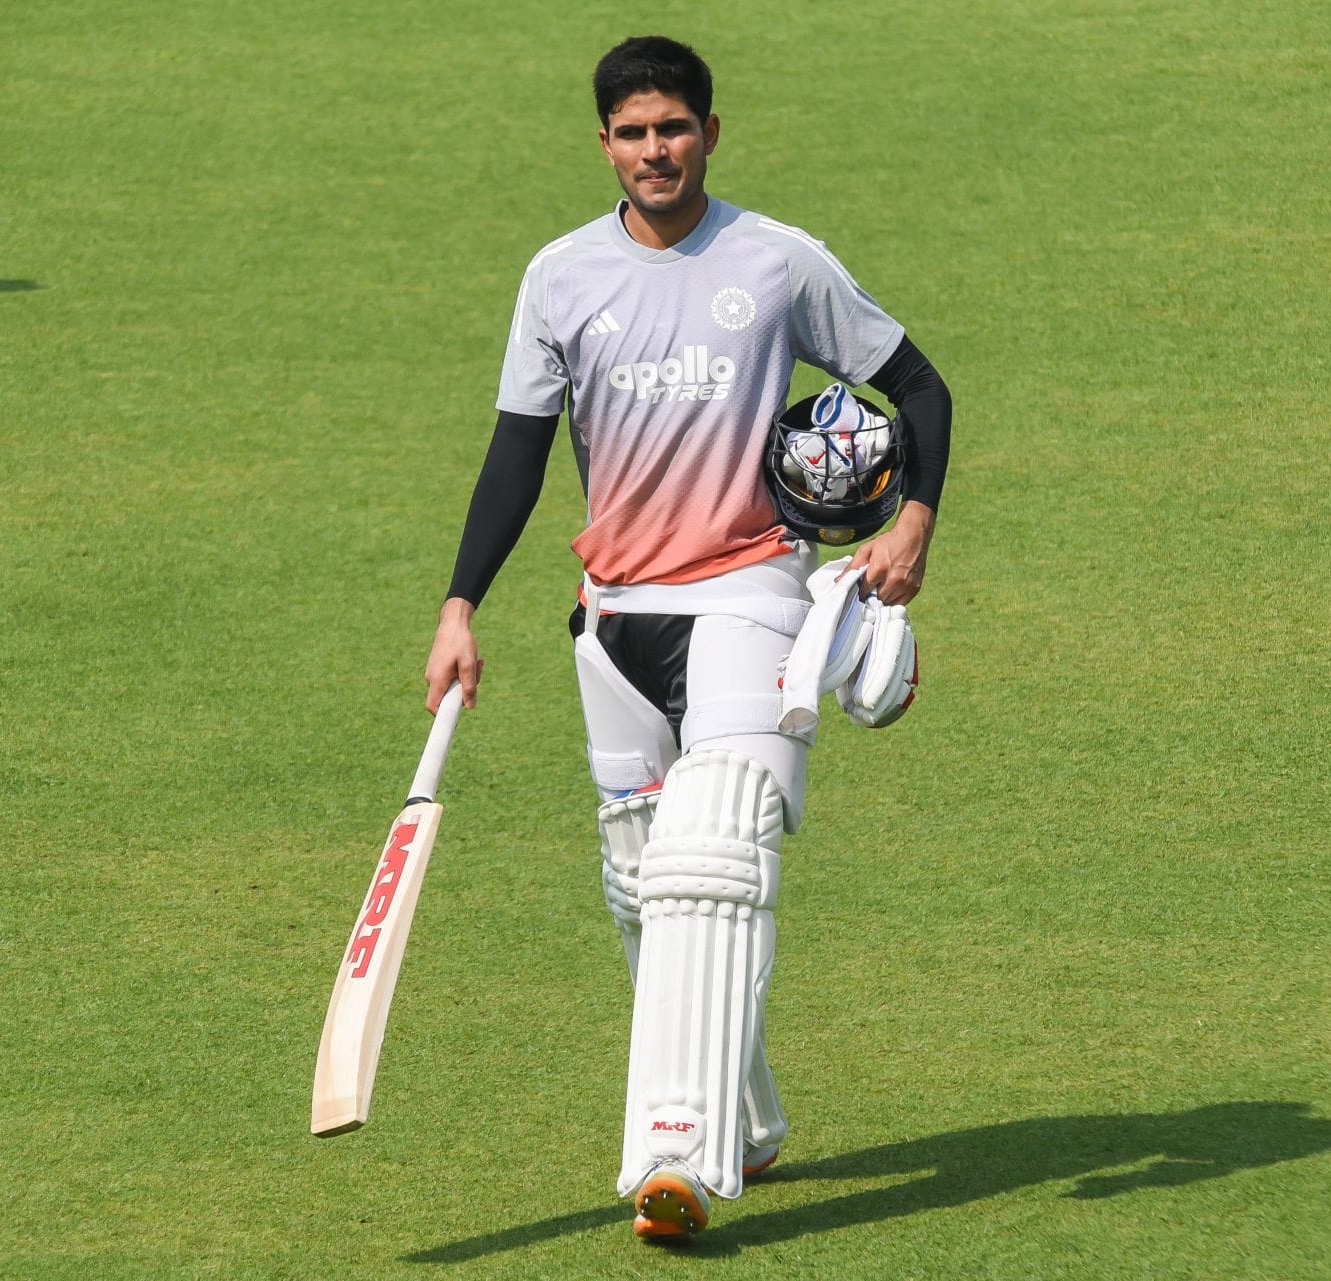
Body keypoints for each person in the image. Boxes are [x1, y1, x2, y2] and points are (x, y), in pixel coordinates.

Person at [421, 34, 952, 1242]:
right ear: (603, 144)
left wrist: (912, 520)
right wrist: (460, 605)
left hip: (751, 594)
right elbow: (515, 452)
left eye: (674, 127)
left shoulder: (775, 262)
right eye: (632, 131)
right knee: (641, 891)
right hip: (614, 618)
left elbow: (920, 387)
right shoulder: (558, 276)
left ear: (712, 132)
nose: (655, 149)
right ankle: (751, 1123)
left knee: (713, 855)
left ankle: (681, 1158)